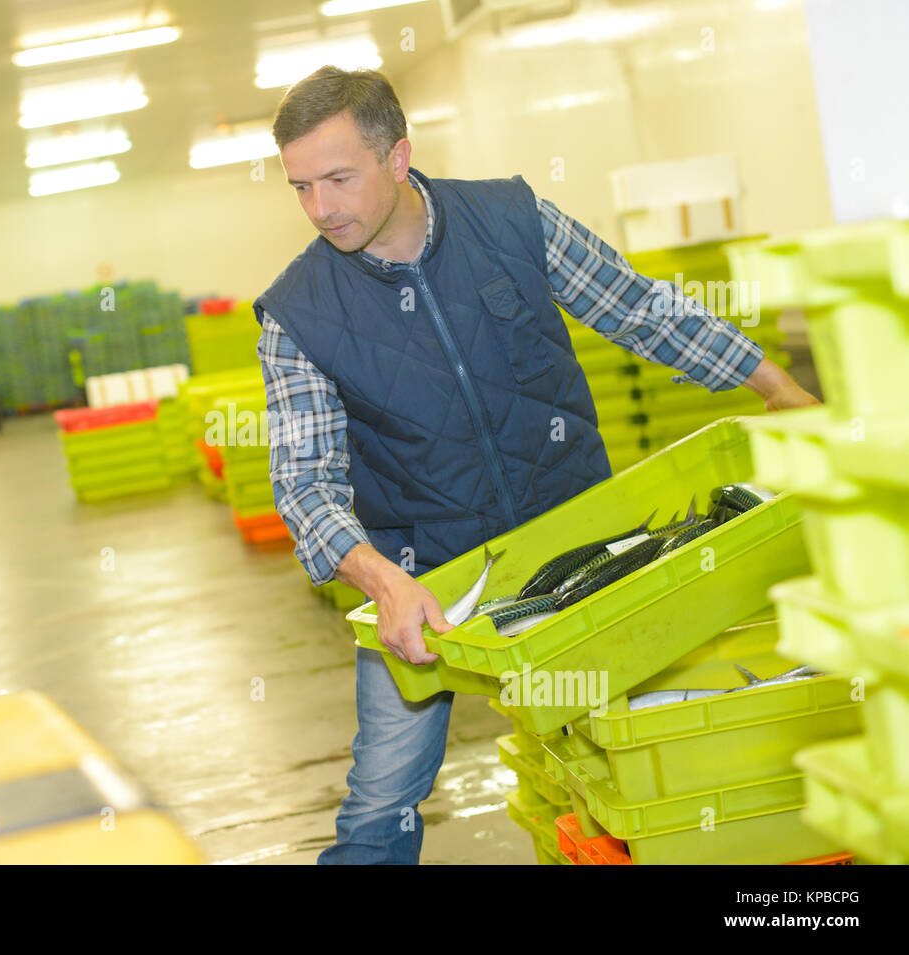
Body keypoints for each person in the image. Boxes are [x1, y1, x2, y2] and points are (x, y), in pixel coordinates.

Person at [251, 66, 820, 866]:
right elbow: (305, 482)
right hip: (429, 575)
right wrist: (386, 582)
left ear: (398, 156)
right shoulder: (297, 314)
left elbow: (641, 308)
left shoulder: (512, 220)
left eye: (338, 178)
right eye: (301, 187)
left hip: (584, 545)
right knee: (383, 802)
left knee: (631, 756)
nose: (321, 209)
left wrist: (779, 386)